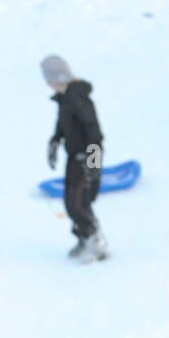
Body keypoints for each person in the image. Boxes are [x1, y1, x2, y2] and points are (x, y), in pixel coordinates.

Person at [43, 54, 107, 262]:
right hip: (73, 156)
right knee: (69, 202)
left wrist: (94, 164)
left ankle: (96, 242)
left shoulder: (78, 99)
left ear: (57, 77)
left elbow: (94, 134)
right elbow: (63, 125)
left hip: (85, 157)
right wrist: (54, 141)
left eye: (49, 77)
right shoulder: (65, 99)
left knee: (79, 202)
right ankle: (82, 238)